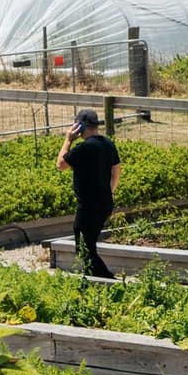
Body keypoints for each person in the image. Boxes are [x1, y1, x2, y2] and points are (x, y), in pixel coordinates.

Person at [56, 108, 120, 279]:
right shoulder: (108, 144)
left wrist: (68, 140)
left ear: (80, 126)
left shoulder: (83, 148)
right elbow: (116, 171)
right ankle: (96, 277)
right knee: (89, 245)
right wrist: (109, 192)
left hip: (87, 207)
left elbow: (61, 164)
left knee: (83, 247)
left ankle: (106, 279)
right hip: (105, 204)